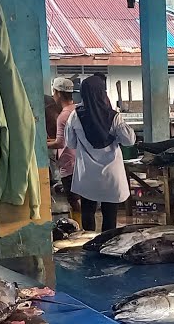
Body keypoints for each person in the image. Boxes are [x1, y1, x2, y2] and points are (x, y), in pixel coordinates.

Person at [66, 74, 135, 231]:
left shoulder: (75, 115)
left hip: (87, 175)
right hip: (111, 175)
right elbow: (129, 141)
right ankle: (107, 248)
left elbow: (70, 143)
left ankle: (88, 250)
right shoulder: (114, 117)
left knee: (87, 214)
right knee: (110, 217)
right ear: (102, 93)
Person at [47, 77, 78, 213]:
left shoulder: (63, 116)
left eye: (54, 93)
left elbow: (60, 142)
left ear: (58, 93)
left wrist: (42, 145)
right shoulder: (78, 110)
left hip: (68, 163)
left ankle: (80, 227)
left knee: (74, 201)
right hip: (81, 162)